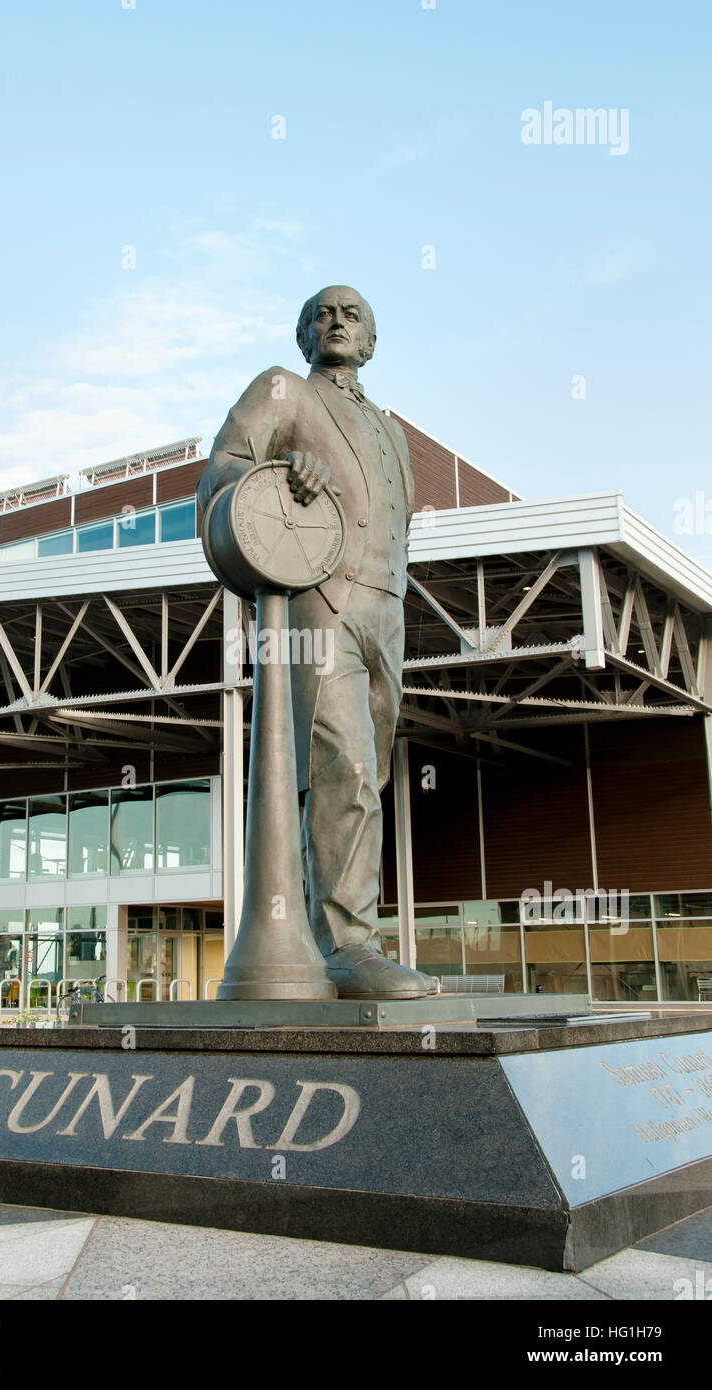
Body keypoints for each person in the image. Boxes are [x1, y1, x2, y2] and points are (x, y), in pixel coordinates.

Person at [198, 286, 437, 999]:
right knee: (345, 766)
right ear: (304, 335)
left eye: (352, 314)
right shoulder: (282, 390)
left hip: (385, 613)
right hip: (316, 607)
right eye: (322, 314)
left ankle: (321, 930)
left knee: (368, 774)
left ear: (370, 340)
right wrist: (281, 473)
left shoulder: (390, 429)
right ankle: (347, 945)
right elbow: (221, 470)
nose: (337, 322)